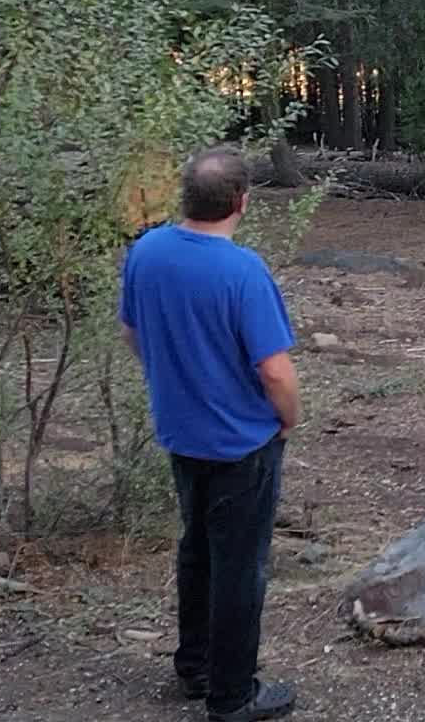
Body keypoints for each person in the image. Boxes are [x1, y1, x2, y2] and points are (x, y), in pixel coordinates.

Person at [119, 148, 303, 722]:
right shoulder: (241, 271)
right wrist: (289, 417)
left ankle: (195, 664)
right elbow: (274, 370)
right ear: (242, 201)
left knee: (196, 549)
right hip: (241, 443)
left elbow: (130, 330)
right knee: (239, 566)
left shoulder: (145, 252)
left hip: (181, 431)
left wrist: (173, 376)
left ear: (186, 197)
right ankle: (232, 696)